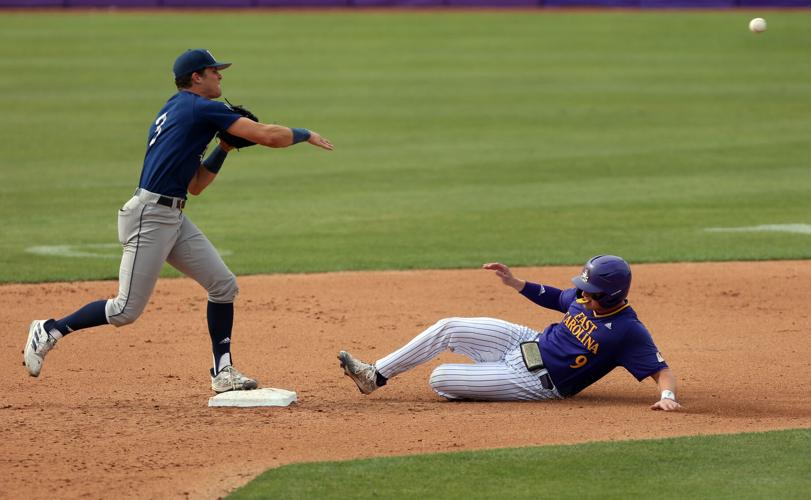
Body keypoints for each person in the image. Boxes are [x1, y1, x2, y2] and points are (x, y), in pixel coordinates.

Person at [24, 48, 333, 393]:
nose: (220, 75)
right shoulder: (201, 107)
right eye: (214, 71)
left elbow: (195, 186)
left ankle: (223, 371)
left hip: (169, 216)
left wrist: (224, 148)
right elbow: (268, 136)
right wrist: (305, 133)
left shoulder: (178, 109)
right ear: (196, 78)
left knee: (223, 286)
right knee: (125, 310)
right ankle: (50, 329)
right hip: (150, 217)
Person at [338, 255, 681, 411]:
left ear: (612, 295)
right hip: (524, 340)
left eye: (590, 291)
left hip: (539, 382)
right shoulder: (581, 299)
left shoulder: (628, 331)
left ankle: (494, 377)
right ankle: (374, 375)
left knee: (439, 378)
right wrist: (517, 283)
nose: (582, 294)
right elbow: (554, 297)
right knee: (448, 327)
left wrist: (667, 396)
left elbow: (660, 369)